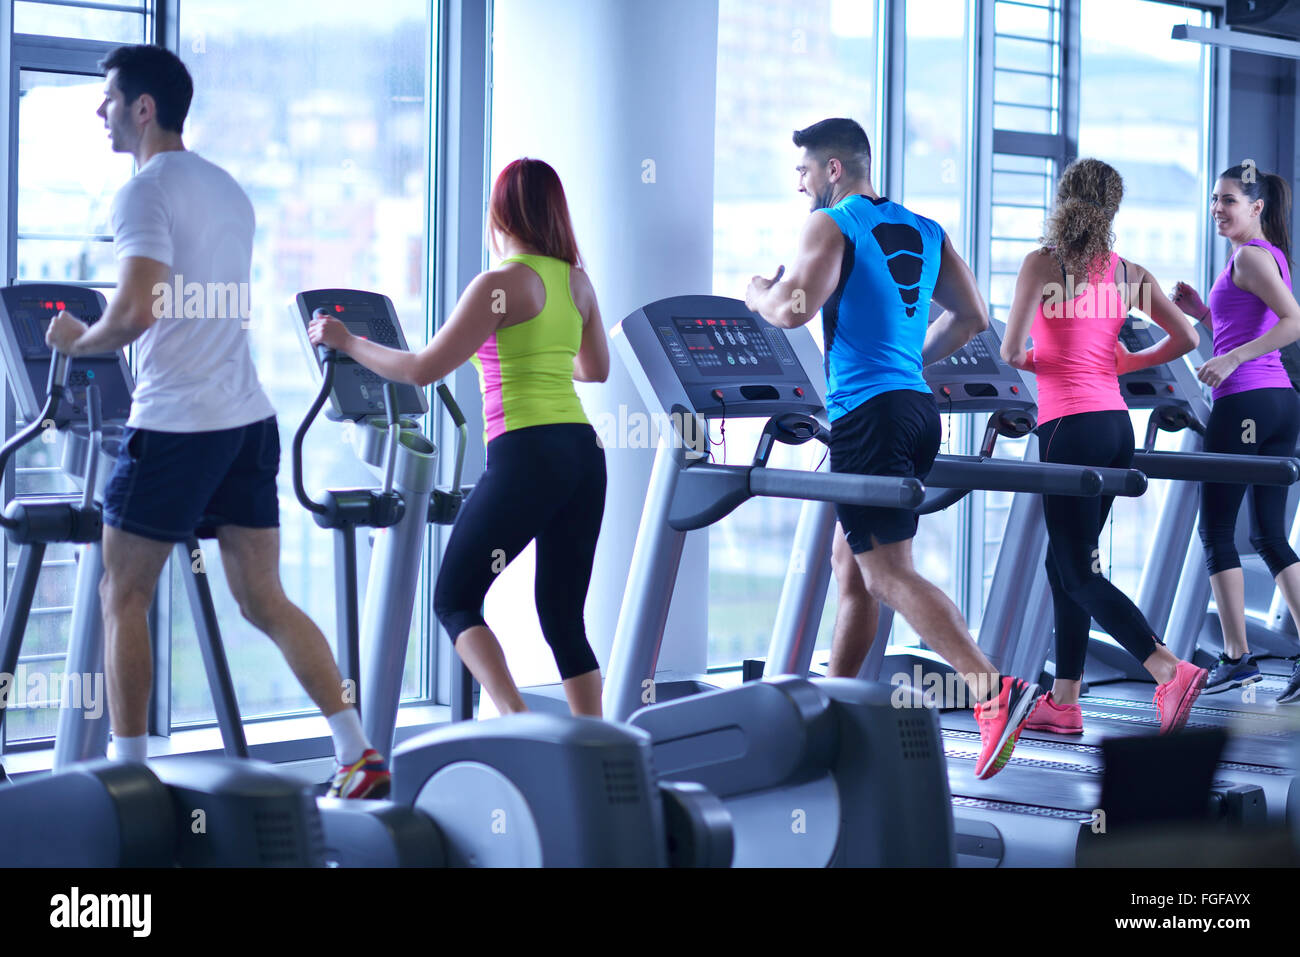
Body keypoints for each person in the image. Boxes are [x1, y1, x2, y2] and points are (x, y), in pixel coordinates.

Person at [44, 45, 387, 797]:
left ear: (142, 108)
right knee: (263, 596)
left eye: (107, 99)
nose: (98, 112)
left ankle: (129, 781)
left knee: (120, 593)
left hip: (176, 422)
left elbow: (136, 311)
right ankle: (358, 752)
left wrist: (78, 339)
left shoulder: (142, 191)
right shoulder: (230, 189)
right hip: (247, 419)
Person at [745, 117, 1039, 779]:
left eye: (804, 171)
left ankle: (992, 689)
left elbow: (794, 307)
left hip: (868, 416)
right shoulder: (924, 227)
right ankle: (835, 710)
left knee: (882, 574)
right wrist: (910, 362)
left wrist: (757, 292)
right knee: (853, 567)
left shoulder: (833, 223)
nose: (799, 184)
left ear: (834, 170)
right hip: (913, 408)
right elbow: (975, 317)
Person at [310, 157, 610, 717]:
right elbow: (594, 370)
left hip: (528, 452)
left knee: (454, 597)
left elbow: (422, 368)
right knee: (564, 617)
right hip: (583, 454)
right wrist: (537, 359)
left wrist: (347, 341)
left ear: (502, 213)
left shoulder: (497, 285)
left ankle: (518, 722)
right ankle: (597, 748)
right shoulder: (577, 282)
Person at [1001, 157, 1207, 735]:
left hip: (1068, 427)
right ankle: (1064, 702)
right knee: (1065, 563)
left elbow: (1013, 353)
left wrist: (1055, 360)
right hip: (1116, 429)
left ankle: (1167, 669)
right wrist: (1129, 360)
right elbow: (1187, 336)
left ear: (1062, 200)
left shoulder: (1042, 264)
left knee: (1078, 569)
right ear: (1112, 210)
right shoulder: (1127, 272)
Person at [1171, 164, 1300, 704]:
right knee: (1269, 536)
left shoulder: (1250, 256)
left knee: (1216, 531)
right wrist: (1203, 313)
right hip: (1278, 405)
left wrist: (1232, 359)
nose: (1218, 209)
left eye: (1228, 200)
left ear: (1256, 206)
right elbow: (1246, 325)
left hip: (1246, 402)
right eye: (1213, 200)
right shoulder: (1265, 256)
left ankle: (1236, 656)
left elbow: (1293, 322)